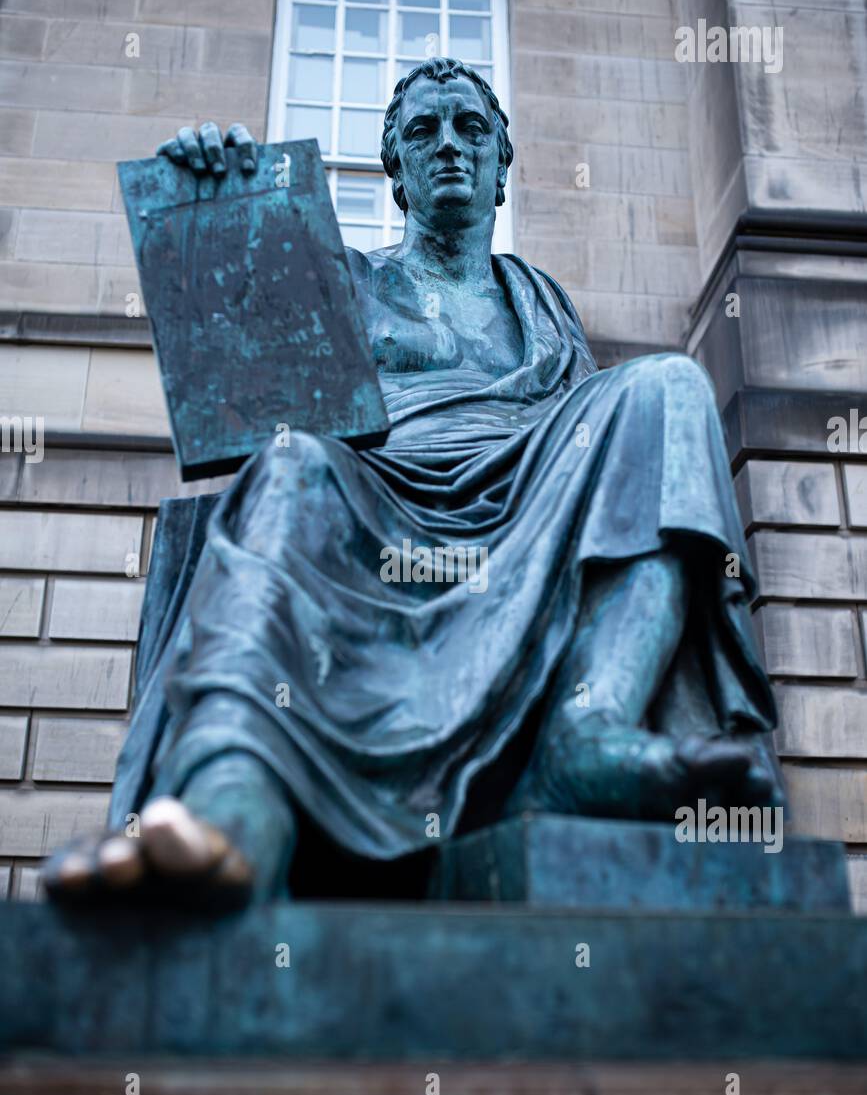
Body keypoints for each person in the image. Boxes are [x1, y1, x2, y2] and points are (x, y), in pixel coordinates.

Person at [45, 57, 779, 908]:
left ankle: (589, 726)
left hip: (534, 493)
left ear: (503, 167)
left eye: (471, 129)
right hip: (378, 492)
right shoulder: (345, 278)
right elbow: (242, 393)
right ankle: (233, 808)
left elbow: (605, 453)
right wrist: (214, 199)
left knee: (669, 385)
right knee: (291, 463)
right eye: (422, 132)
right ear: (393, 169)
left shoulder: (543, 301)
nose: (449, 147)